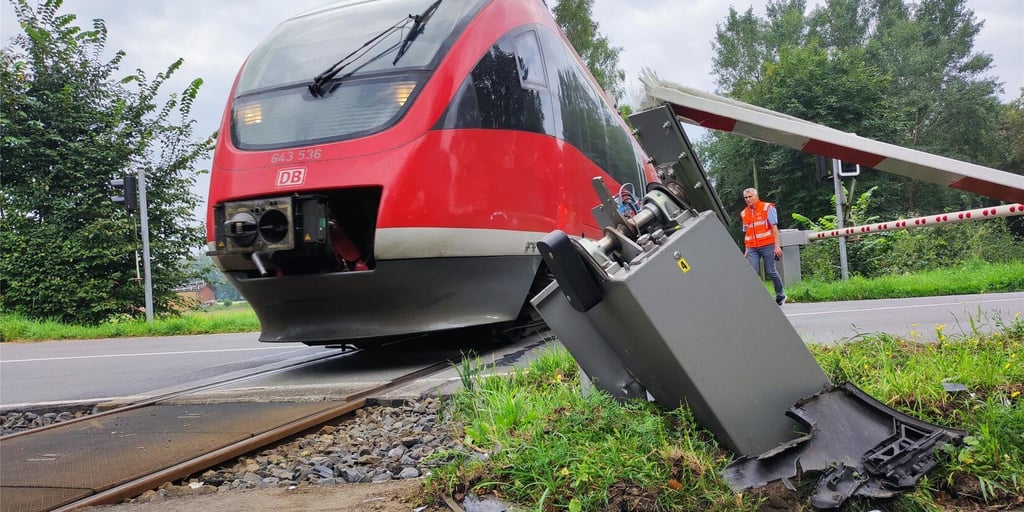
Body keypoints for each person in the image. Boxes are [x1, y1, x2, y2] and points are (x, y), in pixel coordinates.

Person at [740, 188, 786, 305]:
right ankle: (759, 298)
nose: (748, 199)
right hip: (752, 247)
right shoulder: (744, 213)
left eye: (750, 197)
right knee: (753, 274)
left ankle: (780, 295)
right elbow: (747, 233)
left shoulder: (767, 208)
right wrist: (746, 250)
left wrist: (777, 246)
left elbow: (774, 228)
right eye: (746, 198)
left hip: (767, 245)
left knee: (771, 271)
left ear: (756, 196)